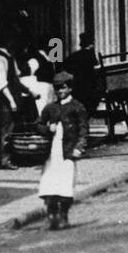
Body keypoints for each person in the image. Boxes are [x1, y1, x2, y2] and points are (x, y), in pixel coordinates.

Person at [36, 72, 89, 230]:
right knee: (49, 184)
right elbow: (38, 124)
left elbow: (84, 130)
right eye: (57, 88)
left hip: (67, 152)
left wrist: (79, 147)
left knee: (65, 185)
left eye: (63, 88)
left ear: (70, 88)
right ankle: (52, 216)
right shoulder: (50, 108)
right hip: (52, 153)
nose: (60, 91)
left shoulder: (77, 107)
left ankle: (64, 216)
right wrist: (47, 128)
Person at [0, 36, 34, 169]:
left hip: (13, 99)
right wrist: (11, 101)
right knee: (6, 131)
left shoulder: (9, 57)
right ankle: (4, 159)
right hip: (5, 101)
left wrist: (29, 91)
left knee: (11, 129)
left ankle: (11, 156)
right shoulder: (0, 59)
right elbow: (2, 84)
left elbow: (16, 79)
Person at [63, 33, 103, 147]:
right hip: (90, 90)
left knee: (79, 112)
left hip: (77, 89)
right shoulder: (91, 56)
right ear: (91, 44)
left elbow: (65, 66)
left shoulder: (74, 56)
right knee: (87, 112)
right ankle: (83, 137)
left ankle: (78, 135)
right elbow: (96, 72)